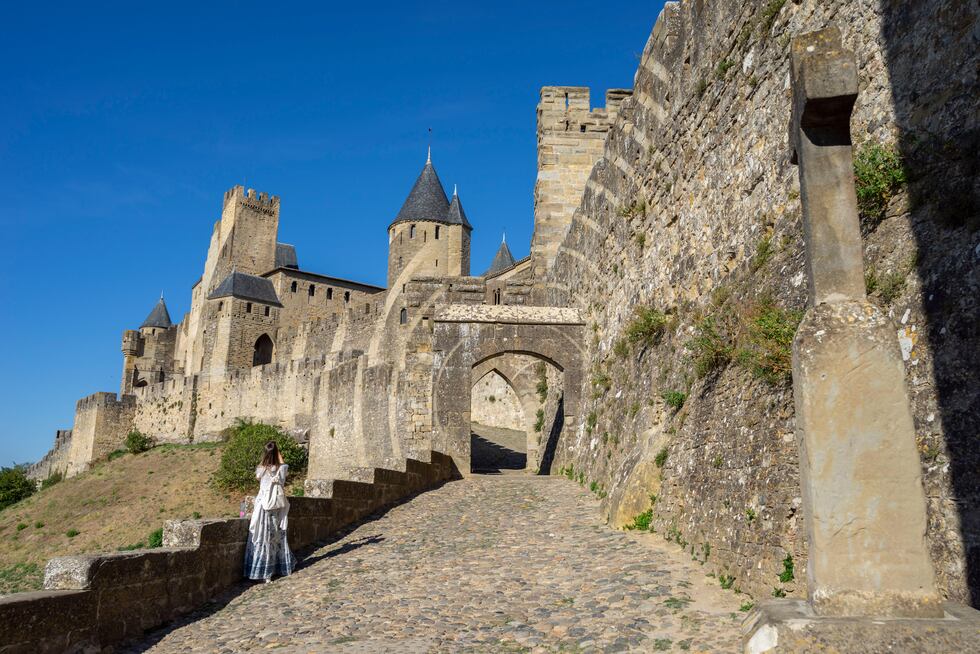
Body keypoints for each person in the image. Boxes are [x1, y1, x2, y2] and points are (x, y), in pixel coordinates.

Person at [243, 441, 297, 582]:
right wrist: (278, 453)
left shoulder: (261, 469)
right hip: (275, 506)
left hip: (262, 505)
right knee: (275, 536)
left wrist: (266, 457)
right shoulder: (280, 469)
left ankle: (264, 572)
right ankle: (276, 568)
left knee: (263, 536)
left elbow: (257, 477)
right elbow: (284, 465)